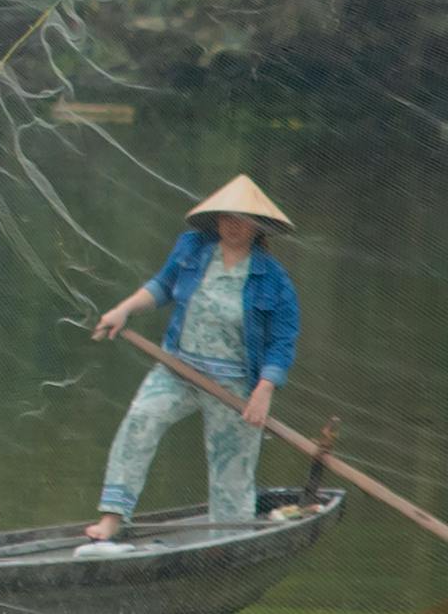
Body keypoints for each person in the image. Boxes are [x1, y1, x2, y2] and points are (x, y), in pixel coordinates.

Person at [85, 175, 296, 541]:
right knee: (140, 422)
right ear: (216, 219)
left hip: (235, 386)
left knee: (232, 468)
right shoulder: (194, 248)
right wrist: (124, 310)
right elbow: (162, 286)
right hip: (178, 369)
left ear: (257, 226)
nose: (232, 225)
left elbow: (283, 341)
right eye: (226, 216)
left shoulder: (273, 279)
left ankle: (230, 538)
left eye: (242, 218)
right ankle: (113, 518)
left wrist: (264, 390)